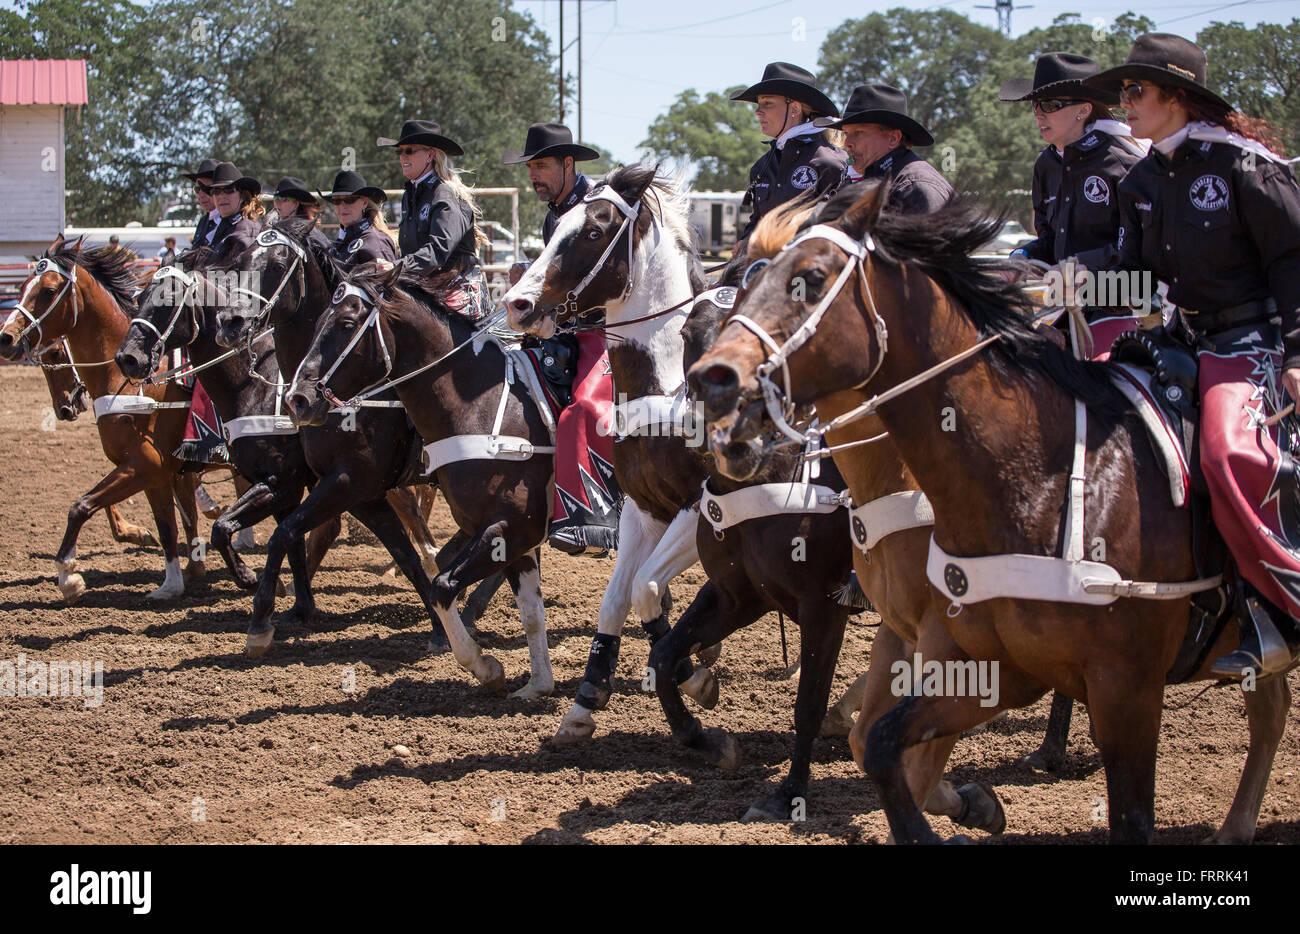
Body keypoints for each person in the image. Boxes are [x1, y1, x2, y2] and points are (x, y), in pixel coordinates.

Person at [1089, 33, 1300, 677]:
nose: (1123, 103)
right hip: (1180, 336)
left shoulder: (1246, 166)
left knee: (1225, 449)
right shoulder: (1143, 177)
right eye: (1122, 92)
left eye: (1136, 91)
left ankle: (1280, 611)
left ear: (1177, 97)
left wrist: (1298, 352)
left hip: (1253, 341)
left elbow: (1292, 260)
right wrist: (1057, 290)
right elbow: (1131, 274)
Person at [503, 123, 621, 555]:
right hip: (569, 330)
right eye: (531, 167)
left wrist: (558, 315)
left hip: (604, 330)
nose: (534, 176)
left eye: (542, 166)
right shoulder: (555, 212)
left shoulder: (599, 210)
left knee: (581, 411)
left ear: (568, 164)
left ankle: (588, 516)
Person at [1001, 52, 1150, 357]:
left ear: (1083, 110)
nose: (1039, 115)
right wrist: (1022, 256)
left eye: (1050, 106)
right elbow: (1050, 240)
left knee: (1106, 386)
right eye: (1035, 106)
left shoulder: (1125, 163)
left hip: (1124, 307)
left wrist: (1079, 265)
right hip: (1064, 306)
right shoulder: (1046, 164)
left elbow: (1138, 252)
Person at [377, 119, 490, 319]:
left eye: (409, 150)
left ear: (430, 155)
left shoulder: (445, 194)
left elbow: (438, 252)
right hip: (429, 292)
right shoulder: (410, 195)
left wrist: (397, 267)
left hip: (457, 296)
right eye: (400, 151)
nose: (402, 156)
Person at [731, 62, 847, 244]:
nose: (757, 111)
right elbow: (758, 221)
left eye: (767, 103)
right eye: (759, 104)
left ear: (794, 109)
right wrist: (744, 242)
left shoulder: (830, 163)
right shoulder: (762, 166)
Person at [815, 83, 953, 214]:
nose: (847, 143)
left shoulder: (916, 188)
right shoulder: (867, 179)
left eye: (859, 132)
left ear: (893, 138)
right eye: (846, 133)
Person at [319, 170, 398, 267]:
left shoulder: (374, 242)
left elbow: (387, 280)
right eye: (337, 201)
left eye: (350, 200)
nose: (342, 206)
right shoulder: (340, 242)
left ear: (364, 203)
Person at [203, 162, 264, 265]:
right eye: (216, 191)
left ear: (243, 195)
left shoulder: (248, 228)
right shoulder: (221, 225)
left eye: (229, 190)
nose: (222, 196)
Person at [181, 157, 220, 249]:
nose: (201, 194)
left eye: (207, 188)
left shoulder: (231, 222)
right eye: (197, 189)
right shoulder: (203, 221)